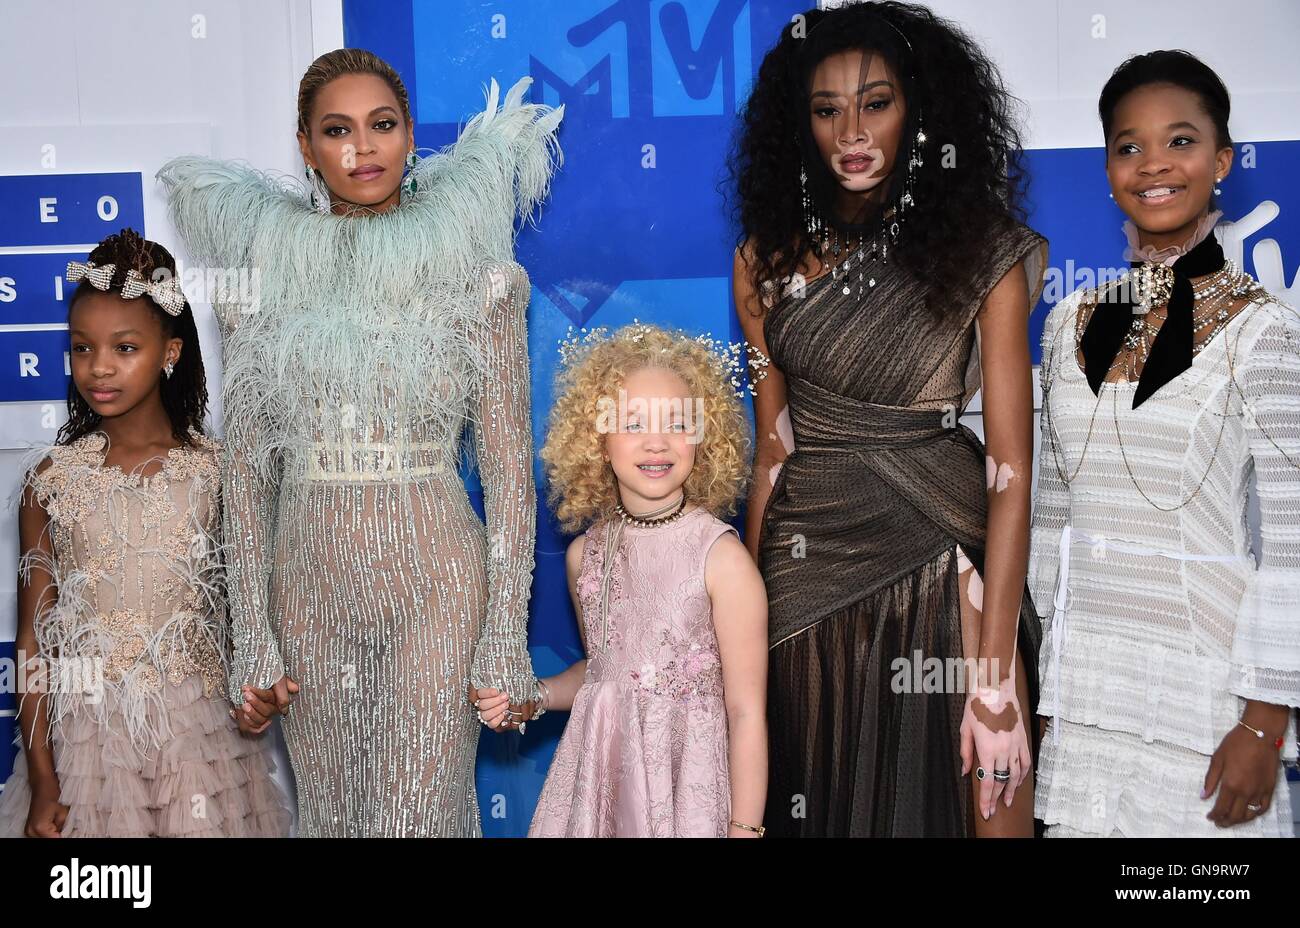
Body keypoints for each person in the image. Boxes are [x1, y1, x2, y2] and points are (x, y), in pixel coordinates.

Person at [158, 49, 562, 836]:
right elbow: (245, 479)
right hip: (307, 589)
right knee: (336, 821)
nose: (362, 147)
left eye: (381, 126)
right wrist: (252, 643)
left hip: (439, 588)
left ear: (411, 135)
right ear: (304, 147)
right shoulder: (262, 278)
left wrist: (505, 642)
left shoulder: (475, 273)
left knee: (417, 818)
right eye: (336, 130)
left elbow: (512, 476)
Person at [732, 2, 1048, 836]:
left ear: (919, 109)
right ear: (800, 125)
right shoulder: (764, 260)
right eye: (827, 109)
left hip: (948, 557)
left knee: (991, 799)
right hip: (805, 574)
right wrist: (745, 634)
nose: (852, 131)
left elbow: (1010, 474)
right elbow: (772, 457)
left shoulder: (986, 252)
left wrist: (992, 675)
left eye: (876, 103)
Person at [1031, 50, 1299, 837]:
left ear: (1221, 161)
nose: (1154, 164)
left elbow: (1291, 543)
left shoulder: (1265, 333)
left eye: (1180, 142)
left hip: (1207, 699)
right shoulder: (1066, 321)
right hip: (1083, 694)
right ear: (1109, 166)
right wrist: (1046, 692)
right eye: (1129, 145)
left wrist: (1264, 723)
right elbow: (1052, 519)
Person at [0, 229, 290, 837]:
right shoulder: (50, 481)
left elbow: (253, 618)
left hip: (202, 746)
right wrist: (45, 777)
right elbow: (32, 643)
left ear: (170, 351)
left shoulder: (218, 473)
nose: (99, 367)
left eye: (124, 347)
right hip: (86, 752)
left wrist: (261, 689)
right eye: (82, 349)